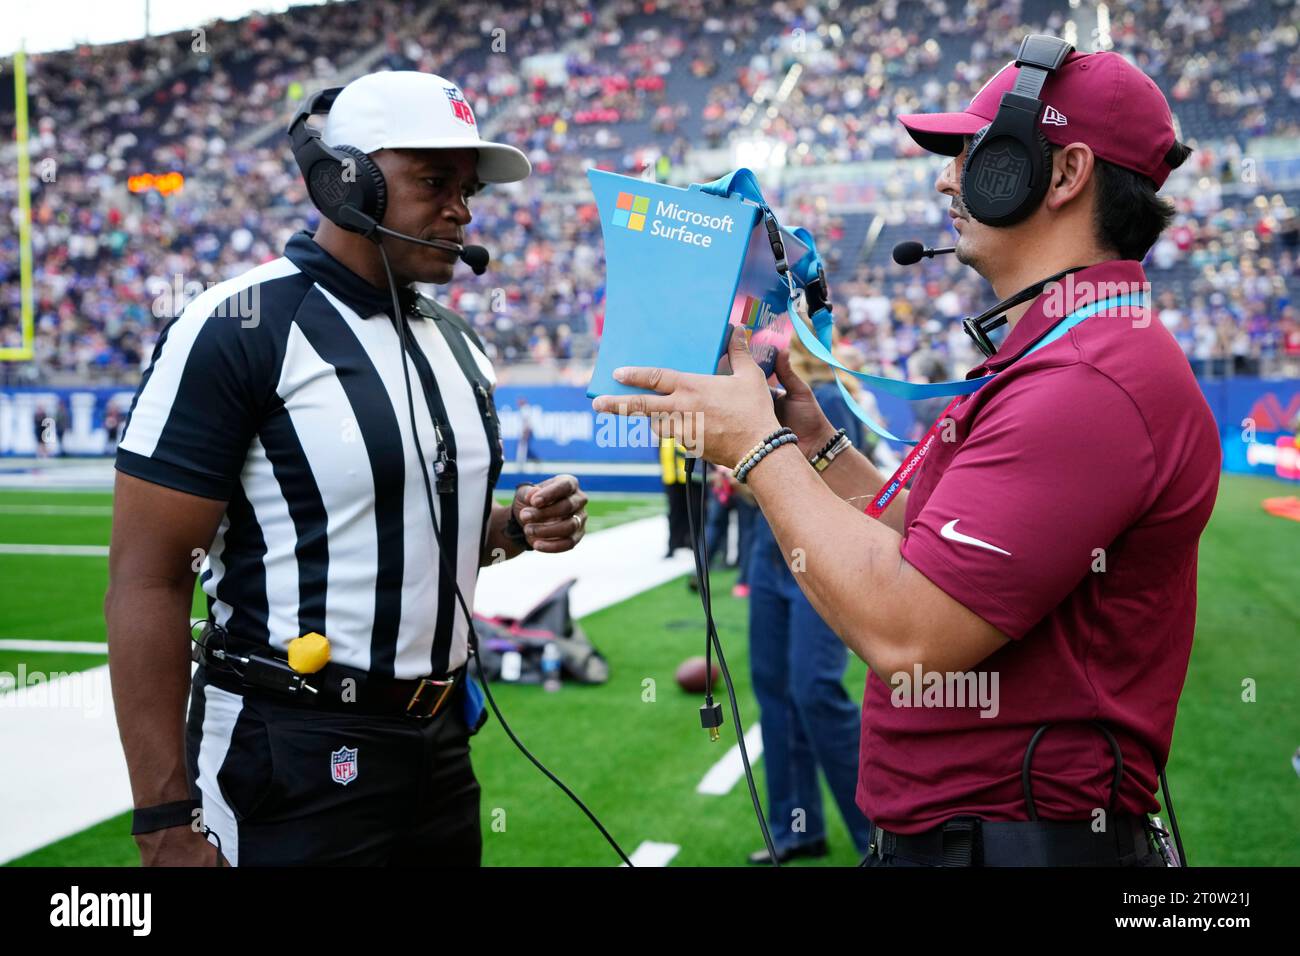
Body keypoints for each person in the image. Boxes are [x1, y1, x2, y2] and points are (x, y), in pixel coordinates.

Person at [593, 39, 1221, 867]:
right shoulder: (1069, 352)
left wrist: (758, 448)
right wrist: (813, 444)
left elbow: (909, 631)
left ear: (1064, 175)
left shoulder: (1090, 378)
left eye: (973, 152)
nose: (946, 177)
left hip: (1011, 845)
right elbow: (912, 547)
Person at [106, 72, 591, 867]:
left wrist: (514, 531)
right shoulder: (238, 326)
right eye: (434, 182)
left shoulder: (460, 346)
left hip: (438, 749)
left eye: (466, 189)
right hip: (289, 749)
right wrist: (164, 817)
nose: (461, 209)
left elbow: (413, 541)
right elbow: (147, 578)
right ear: (346, 182)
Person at [744, 321, 872, 864]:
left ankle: (876, 835)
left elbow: (840, 486)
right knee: (773, 688)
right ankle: (796, 825)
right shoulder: (769, 399)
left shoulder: (830, 401)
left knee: (814, 689)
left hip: (820, 553)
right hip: (769, 551)